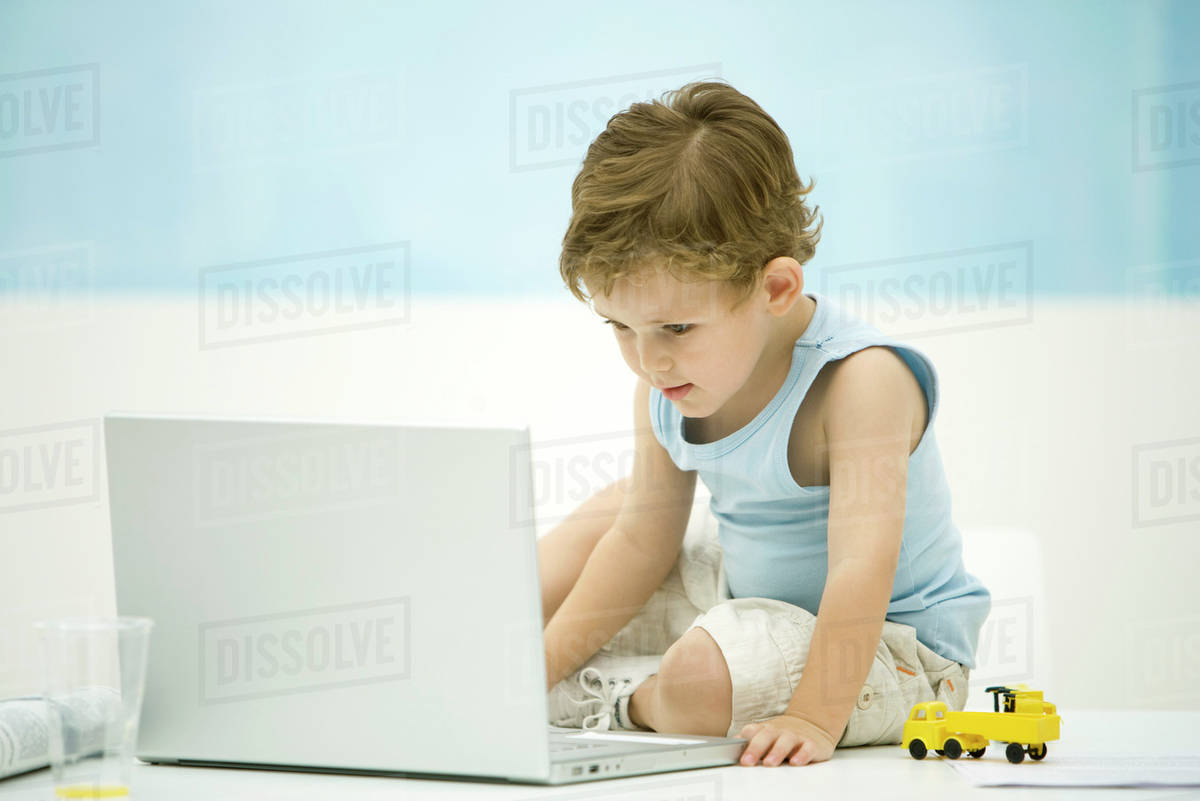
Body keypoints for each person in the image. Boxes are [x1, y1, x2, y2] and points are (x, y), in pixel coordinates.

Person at [539, 80, 991, 768]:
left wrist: (814, 714)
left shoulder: (860, 382)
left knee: (695, 683)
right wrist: (537, 664)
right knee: (612, 520)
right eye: (621, 327)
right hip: (748, 597)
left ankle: (626, 699)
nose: (648, 358)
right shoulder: (667, 378)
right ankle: (518, 670)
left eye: (676, 326)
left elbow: (860, 569)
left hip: (890, 647)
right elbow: (640, 543)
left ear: (776, 288)